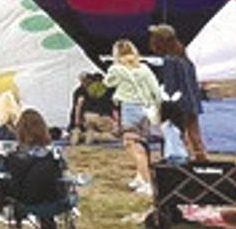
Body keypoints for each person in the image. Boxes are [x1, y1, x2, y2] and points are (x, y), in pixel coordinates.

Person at [0, 108, 68, 229]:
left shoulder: (13, 157)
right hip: (54, 200)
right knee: (44, 185)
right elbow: (63, 174)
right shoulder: (55, 155)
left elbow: (2, 174)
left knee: (3, 191)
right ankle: (49, 228)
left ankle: (15, 224)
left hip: (24, 201)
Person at [103, 39, 162, 194]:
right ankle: (140, 177)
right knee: (142, 144)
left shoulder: (116, 69)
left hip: (129, 108)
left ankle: (147, 182)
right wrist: (157, 108)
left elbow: (108, 83)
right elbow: (155, 90)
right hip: (146, 109)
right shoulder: (144, 68)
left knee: (132, 145)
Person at [148, 24, 207, 161]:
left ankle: (179, 162)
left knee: (175, 135)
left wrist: (165, 106)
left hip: (178, 105)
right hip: (192, 103)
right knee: (195, 136)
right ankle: (201, 161)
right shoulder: (185, 59)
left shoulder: (169, 61)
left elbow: (170, 87)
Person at [69, 72, 117, 144]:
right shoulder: (105, 89)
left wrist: (76, 124)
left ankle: (84, 135)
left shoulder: (79, 91)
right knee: (114, 136)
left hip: (87, 117)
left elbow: (77, 107)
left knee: (90, 128)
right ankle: (91, 136)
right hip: (100, 117)